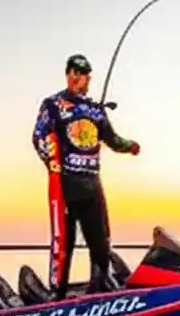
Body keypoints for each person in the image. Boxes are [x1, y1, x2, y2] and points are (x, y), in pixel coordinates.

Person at [32, 54, 140, 298]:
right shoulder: (53, 105)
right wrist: (50, 160)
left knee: (100, 242)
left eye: (90, 76)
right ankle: (57, 294)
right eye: (84, 76)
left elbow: (112, 140)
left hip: (92, 183)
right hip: (65, 185)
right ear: (72, 75)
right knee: (64, 244)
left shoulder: (96, 110)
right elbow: (38, 136)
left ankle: (98, 290)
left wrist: (130, 145)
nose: (88, 81)